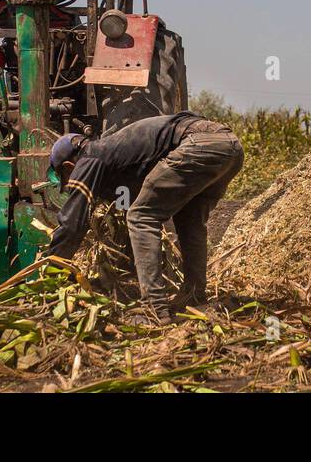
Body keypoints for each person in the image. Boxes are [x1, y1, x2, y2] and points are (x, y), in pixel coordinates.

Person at [44, 112, 243, 323]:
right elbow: (130, 197)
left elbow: (72, 224)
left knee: (141, 217)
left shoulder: (90, 156)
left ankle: (155, 309)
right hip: (228, 146)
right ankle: (195, 296)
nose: (68, 185)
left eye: (64, 179)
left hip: (197, 144)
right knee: (190, 222)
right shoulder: (114, 153)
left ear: (68, 167)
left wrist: (52, 269)